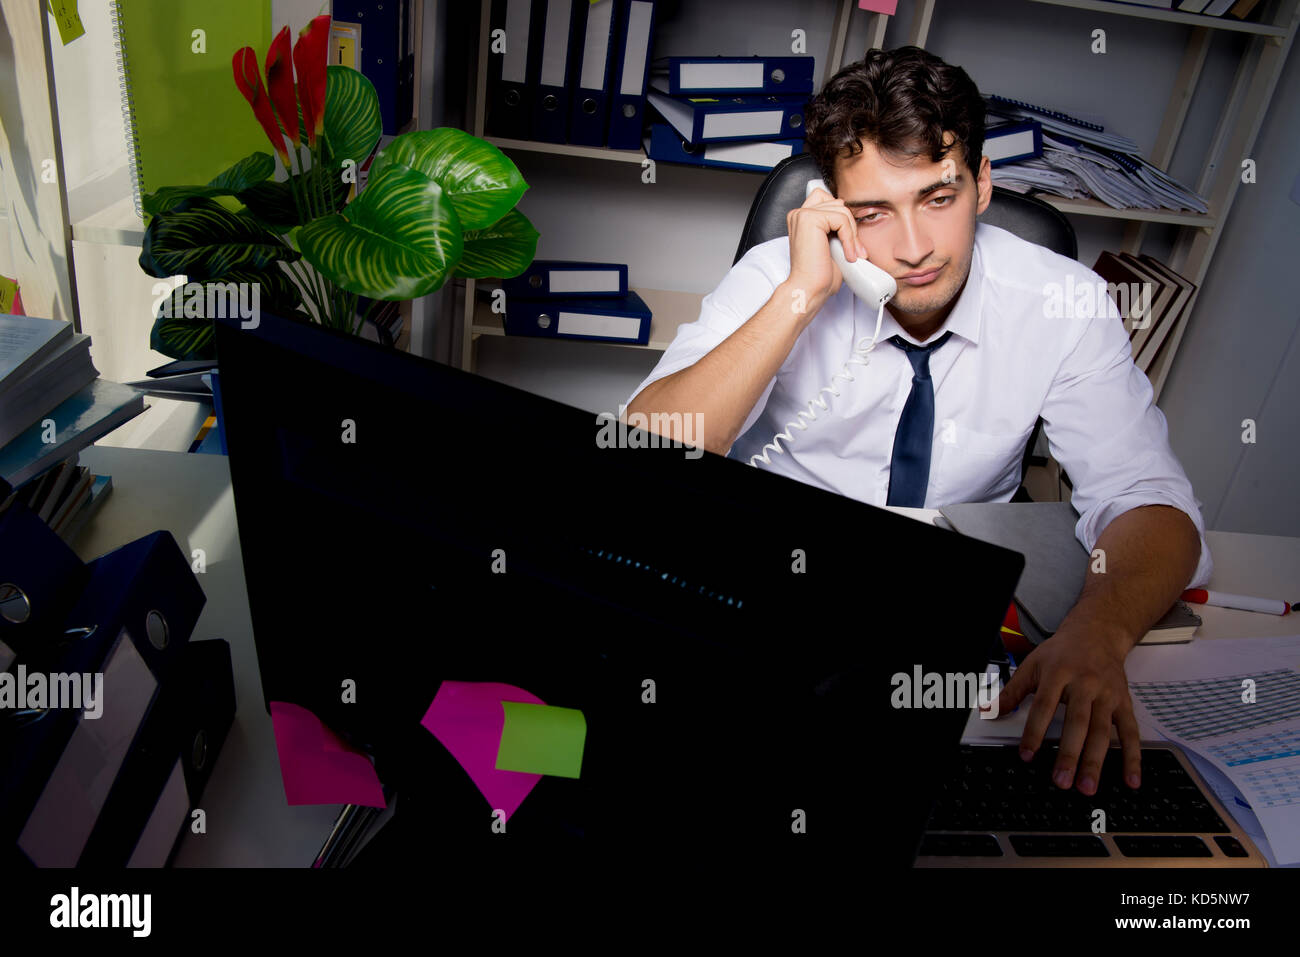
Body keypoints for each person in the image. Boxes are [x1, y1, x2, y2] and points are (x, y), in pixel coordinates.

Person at [622, 46, 1210, 797]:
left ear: (984, 184)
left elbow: (1151, 499)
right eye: (874, 213)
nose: (914, 248)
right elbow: (641, 461)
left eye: (939, 197)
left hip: (951, 613)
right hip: (782, 594)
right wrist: (800, 299)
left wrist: (1101, 630)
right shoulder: (779, 277)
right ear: (829, 210)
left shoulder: (1062, 303)